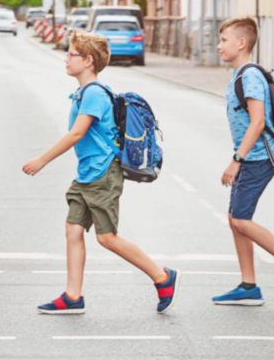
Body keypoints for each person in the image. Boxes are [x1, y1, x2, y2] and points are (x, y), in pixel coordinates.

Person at [22, 30, 180, 315]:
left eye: (72, 54)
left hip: (102, 173)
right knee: (73, 230)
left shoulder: (94, 93)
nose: (66, 58)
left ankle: (162, 277)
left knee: (107, 238)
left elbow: (76, 133)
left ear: (88, 61)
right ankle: (73, 296)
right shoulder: (85, 92)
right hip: (88, 173)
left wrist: (42, 160)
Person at [214, 17, 274, 306]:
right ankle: (248, 286)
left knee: (240, 219)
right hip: (251, 157)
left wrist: (236, 160)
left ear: (241, 43)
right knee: (235, 220)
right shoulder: (240, 75)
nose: (219, 45)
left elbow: (257, 122)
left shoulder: (250, 76)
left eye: (224, 40)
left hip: (258, 158)